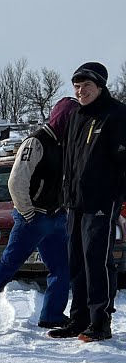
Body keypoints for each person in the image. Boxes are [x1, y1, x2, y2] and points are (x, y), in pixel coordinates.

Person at [0, 98, 79, 334]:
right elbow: (16, 181)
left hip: (56, 217)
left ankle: (52, 315)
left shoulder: (65, 143)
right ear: (61, 117)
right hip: (33, 218)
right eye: (72, 118)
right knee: (7, 266)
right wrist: (27, 212)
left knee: (61, 269)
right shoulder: (36, 141)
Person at [48, 62, 126, 342]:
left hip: (101, 202)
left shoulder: (116, 114)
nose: (80, 92)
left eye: (86, 87)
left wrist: (117, 197)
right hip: (75, 202)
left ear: (101, 86)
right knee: (76, 261)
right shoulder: (76, 116)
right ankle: (78, 319)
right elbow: (70, 161)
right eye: (77, 87)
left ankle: (99, 322)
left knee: (96, 260)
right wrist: (64, 195)